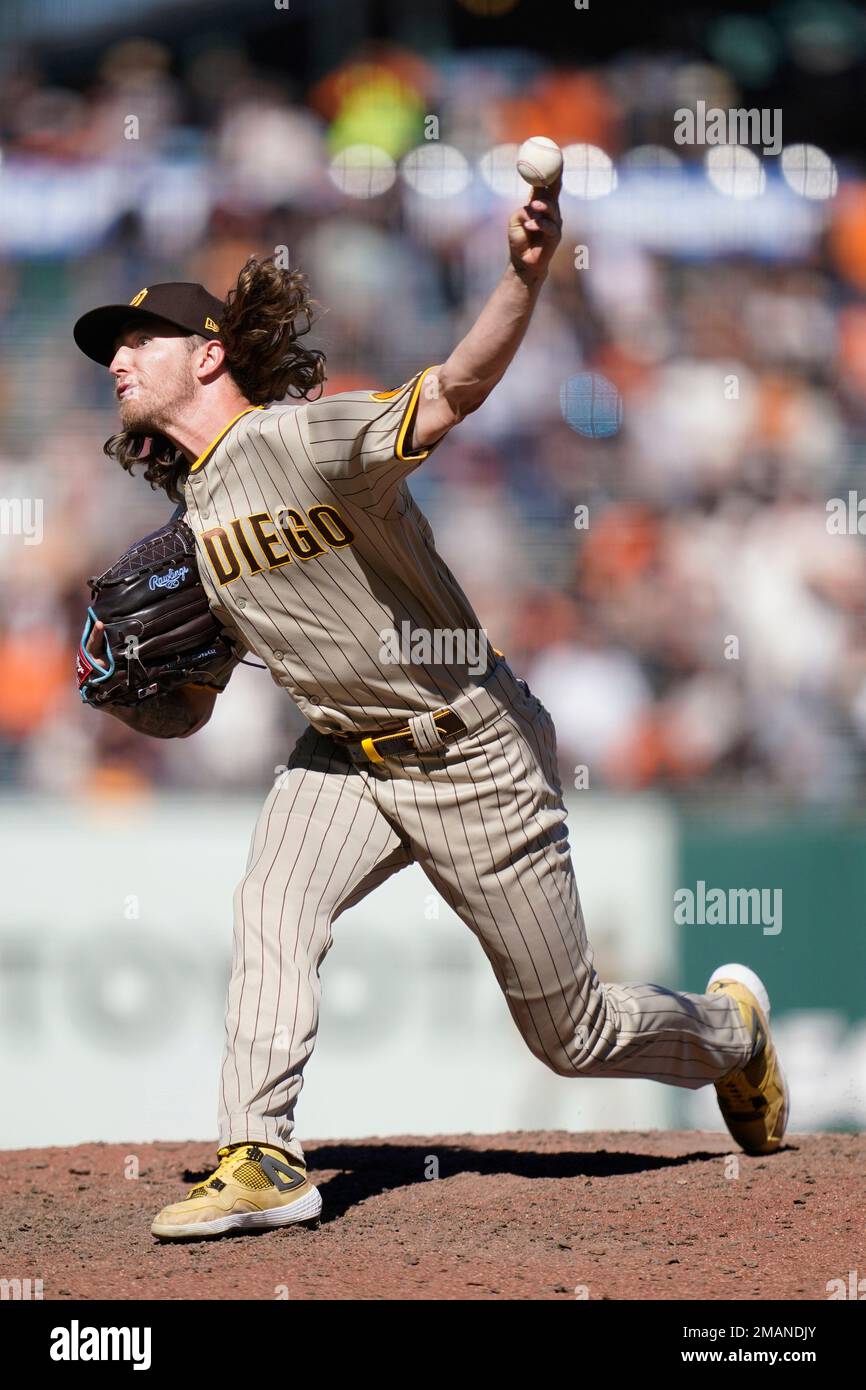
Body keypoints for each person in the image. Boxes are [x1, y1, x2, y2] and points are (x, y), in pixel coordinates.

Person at [73, 175, 787, 1242]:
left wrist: (519, 274)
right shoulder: (196, 510)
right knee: (272, 906)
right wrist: (149, 701)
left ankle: (729, 1034)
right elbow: (190, 710)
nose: (118, 358)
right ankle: (261, 1154)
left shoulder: (301, 442)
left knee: (570, 1032)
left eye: (142, 338)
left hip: (467, 749)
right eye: (111, 346)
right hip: (345, 757)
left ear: (209, 354)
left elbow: (451, 390)